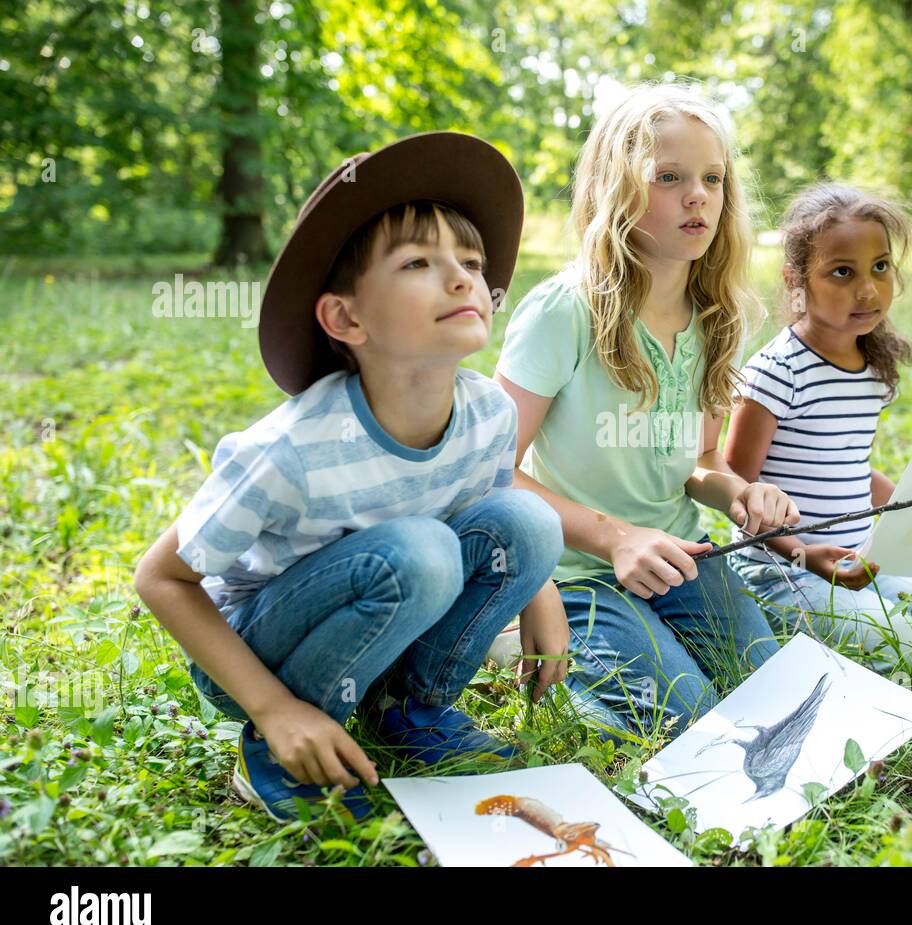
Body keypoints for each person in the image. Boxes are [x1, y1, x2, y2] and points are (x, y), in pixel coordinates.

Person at [133, 133, 568, 822]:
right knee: (420, 552)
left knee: (531, 522)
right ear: (345, 316)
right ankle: (280, 745)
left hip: (388, 615)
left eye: (472, 261)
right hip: (264, 645)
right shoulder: (292, 448)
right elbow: (160, 578)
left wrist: (540, 590)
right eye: (420, 261)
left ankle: (410, 708)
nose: (462, 278)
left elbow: (496, 514)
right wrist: (273, 707)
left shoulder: (488, 412)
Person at [495, 84, 799, 741]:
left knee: (774, 694)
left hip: (682, 558)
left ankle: (638, 644)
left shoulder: (721, 315)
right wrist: (616, 538)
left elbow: (700, 461)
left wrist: (741, 494)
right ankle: (529, 641)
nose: (699, 196)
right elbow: (491, 472)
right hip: (577, 573)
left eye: (712, 179)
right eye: (669, 178)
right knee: (686, 720)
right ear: (616, 190)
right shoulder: (562, 312)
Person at [723, 183, 912, 671]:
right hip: (788, 571)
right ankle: (786, 625)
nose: (868, 289)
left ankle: (873, 611)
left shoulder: (869, 365)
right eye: (842, 273)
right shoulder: (777, 371)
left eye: (881, 267)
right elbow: (738, 488)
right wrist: (804, 554)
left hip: (859, 559)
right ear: (796, 281)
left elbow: (850, 468)